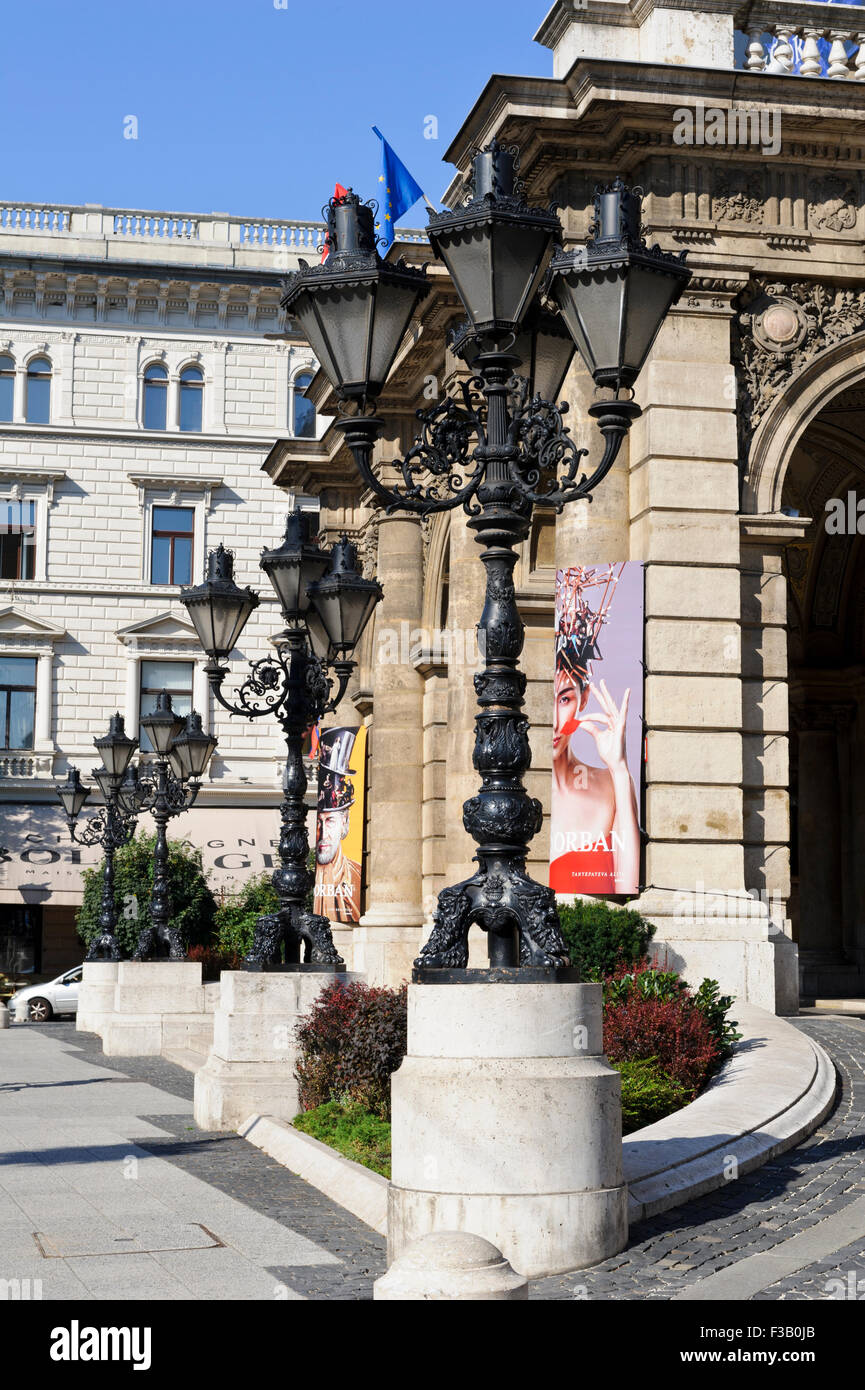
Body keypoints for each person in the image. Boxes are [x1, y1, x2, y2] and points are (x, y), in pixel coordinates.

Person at [550, 566, 640, 896]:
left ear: (583, 698)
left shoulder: (611, 784)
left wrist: (618, 768)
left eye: (565, 698)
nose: (556, 720)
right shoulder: (520, 789)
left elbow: (627, 887)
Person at [314, 731, 362, 926]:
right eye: (319, 822)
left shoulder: (357, 876)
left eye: (331, 821)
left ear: (345, 823)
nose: (322, 834)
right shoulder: (314, 878)